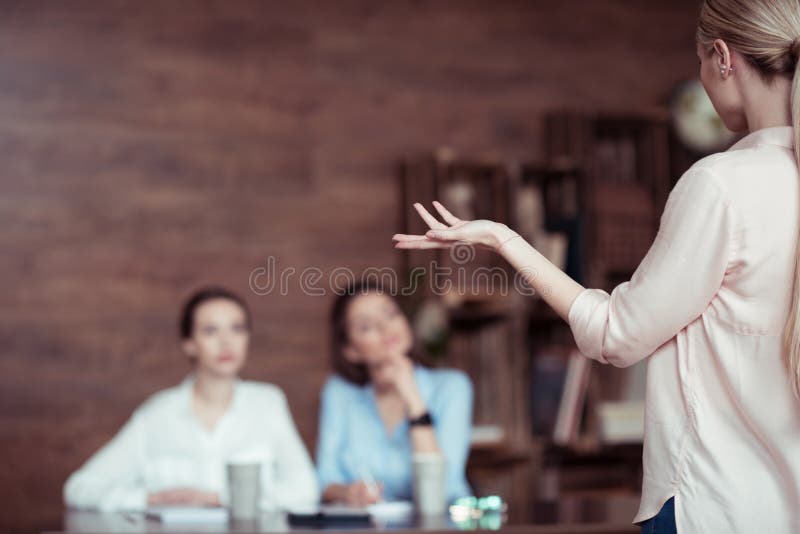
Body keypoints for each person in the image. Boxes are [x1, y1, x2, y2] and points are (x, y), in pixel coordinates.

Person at [394, 1, 800, 531]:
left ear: (722, 58)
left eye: (699, 61)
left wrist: (504, 238)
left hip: (714, 506)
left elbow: (616, 333)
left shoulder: (722, 184)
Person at [63, 287, 319, 511]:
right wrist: (150, 499)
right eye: (210, 331)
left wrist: (218, 498)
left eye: (237, 329)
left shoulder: (268, 404)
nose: (226, 341)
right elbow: (80, 489)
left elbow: (305, 490)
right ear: (189, 344)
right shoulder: (158, 413)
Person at [316, 280, 473, 506]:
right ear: (350, 351)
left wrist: (412, 397)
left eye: (390, 314)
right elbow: (326, 479)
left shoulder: (452, 387)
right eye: (366, 326)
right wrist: (348, 493)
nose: (385, 328)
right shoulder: (339, 392)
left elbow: (442, 490)